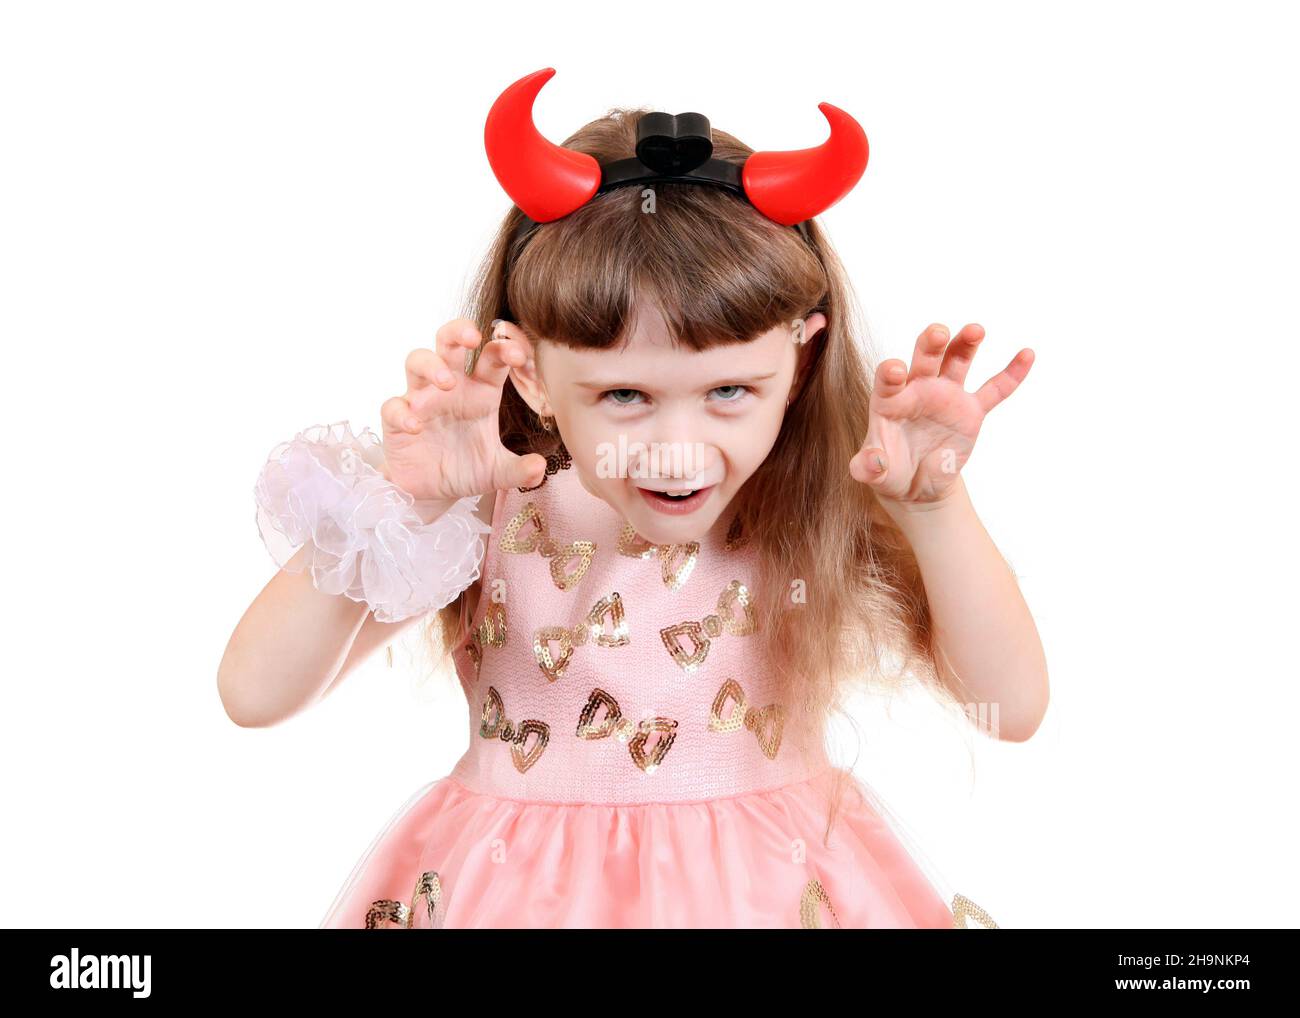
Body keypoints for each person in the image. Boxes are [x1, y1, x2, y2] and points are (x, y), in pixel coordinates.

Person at [219, 68, 1046, 928]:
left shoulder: (814, 499)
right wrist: (411, 502)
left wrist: (934, 509)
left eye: (729, 391)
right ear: (531, 374)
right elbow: (253, 691)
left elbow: (1014, 707)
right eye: (625, 395)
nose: (678, 446)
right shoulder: (493, 507)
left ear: (800, 361)